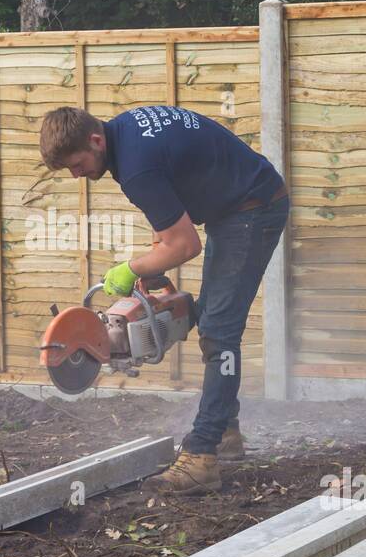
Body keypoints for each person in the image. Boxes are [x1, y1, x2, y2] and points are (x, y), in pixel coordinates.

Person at [39, 104, 289, 493]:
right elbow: (169, 216)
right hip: (235, 207)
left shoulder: (135, 167)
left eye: (78, 164)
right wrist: (152, 263)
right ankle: (225, 431)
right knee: (209, 320)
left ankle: (202, 456)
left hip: (253, 209)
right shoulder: (125, 135)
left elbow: (186, 244)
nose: (78, 176)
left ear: (94, 140)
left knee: (220, 332)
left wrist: (131, 269)